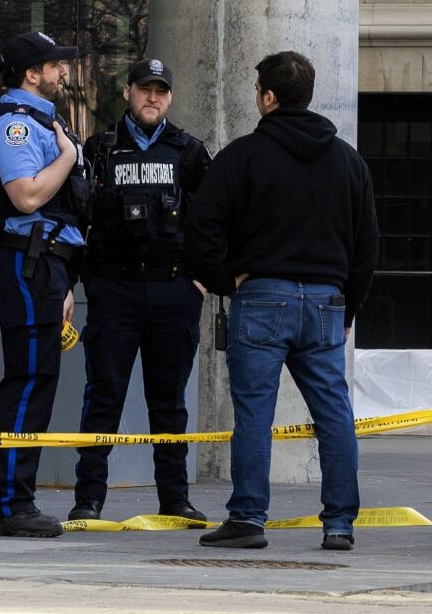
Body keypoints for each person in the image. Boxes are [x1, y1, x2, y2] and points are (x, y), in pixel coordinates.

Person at [185, 50, 379, 552]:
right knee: (334, 415)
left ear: (268, 97)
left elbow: (201, 229)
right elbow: (367, 246)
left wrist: (227, 280)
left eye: (258, 91)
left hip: (262, 296)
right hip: (326, 303)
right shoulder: (348, 160)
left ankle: (248, 519)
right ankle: (339, 524)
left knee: (254, 415)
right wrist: (349, 308)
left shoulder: (242, 155)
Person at [68, 57, 212, 524]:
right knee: (103, 396)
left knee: (169, 401)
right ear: (128, 91)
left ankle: (174, 500)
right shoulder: (100, 149)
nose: (154, 97)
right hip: (115, 289)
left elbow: (214, 221)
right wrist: (72, 282)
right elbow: (77, 220)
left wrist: (203, 280)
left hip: (173, 289)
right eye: (146, 88)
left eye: (162, 90)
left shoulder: (189, 152)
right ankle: (89, 498)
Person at [0, 29, 89, 537]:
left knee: (39, 383)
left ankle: (15, 501)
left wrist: (64, 281)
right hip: (24, 263)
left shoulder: (45, 119)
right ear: (31, 73)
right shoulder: (17, 125)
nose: (63, 71)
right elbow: (25, 197)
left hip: (44, 266)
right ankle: (6, 507)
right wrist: (67, 156)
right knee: (26, 383)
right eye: (55, 64)